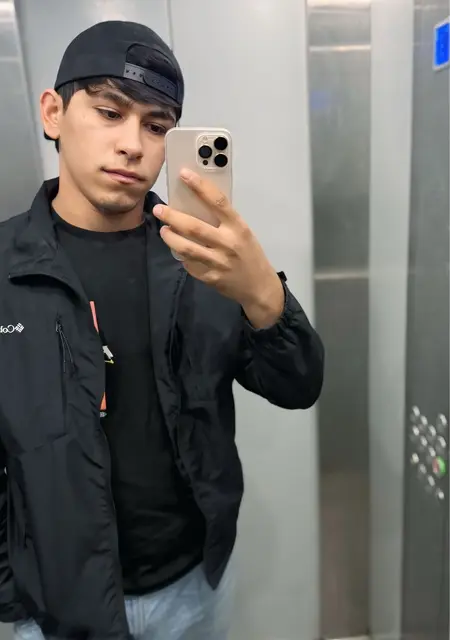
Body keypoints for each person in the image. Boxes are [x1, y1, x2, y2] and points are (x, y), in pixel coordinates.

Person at [0, 20, 324, 640]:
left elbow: (298, 386)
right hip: (57, 606)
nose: (132, 145)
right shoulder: (7, 269)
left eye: (156, 127)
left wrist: (263, 292)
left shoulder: (200, 260)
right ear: (54, 113)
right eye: (109, 112)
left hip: (193, 586)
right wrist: (13, 591)